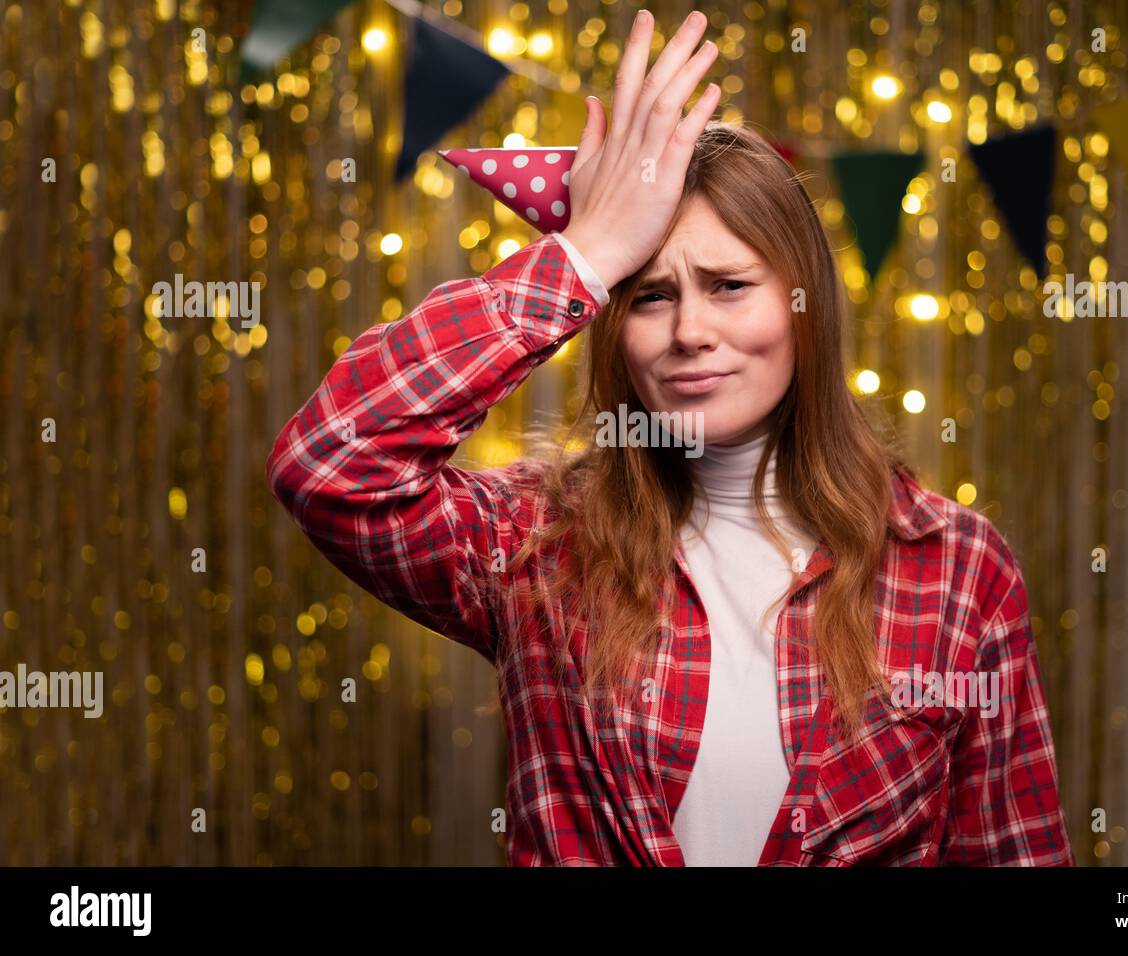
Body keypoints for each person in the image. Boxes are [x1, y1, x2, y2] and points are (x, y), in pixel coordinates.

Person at [266, 8, 1074, 867]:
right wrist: (586, 252)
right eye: (649, 295)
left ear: (804, 306)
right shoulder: (535, 544)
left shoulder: (955, 567)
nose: (691, 331)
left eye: (729, 286)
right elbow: (332, 461)